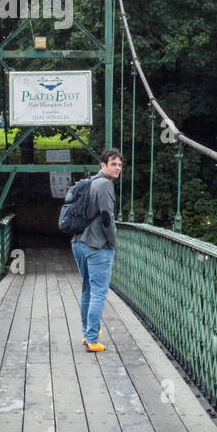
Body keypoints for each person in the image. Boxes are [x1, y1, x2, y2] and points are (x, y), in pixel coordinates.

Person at [71, 148, 121, 353]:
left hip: (78, 243)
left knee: (87, 290)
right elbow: (107, 218)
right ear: (103, 165)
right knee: (99, 292)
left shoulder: (90, 182)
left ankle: (87, 333)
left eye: (119, 165)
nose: (117, 168)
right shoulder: (105, 185)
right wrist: (112, 243)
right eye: (113, 164)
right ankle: (92, 338)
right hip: (96, 245)